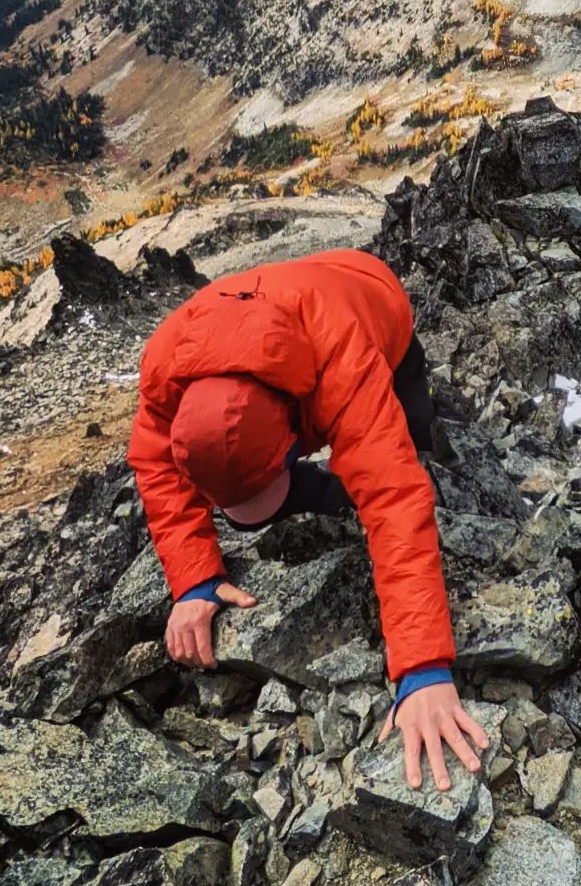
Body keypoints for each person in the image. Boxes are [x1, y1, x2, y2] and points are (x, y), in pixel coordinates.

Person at [127, 246, 487, 793]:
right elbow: (155, 463)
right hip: (264, 302)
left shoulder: (345, 358)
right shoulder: (167, 365)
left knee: (412, 445)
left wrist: (422, 670)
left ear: (292, 436)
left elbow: (394, 499)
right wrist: (194, 579)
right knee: (258, 513)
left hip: (365, 294)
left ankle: (390, 453)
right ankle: (342, 493)